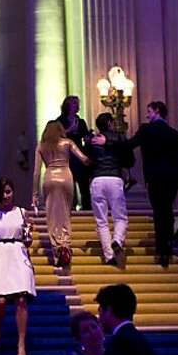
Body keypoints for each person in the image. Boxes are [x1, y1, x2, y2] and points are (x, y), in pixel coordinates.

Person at [0, 177, 36, 355]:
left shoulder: (22, 212)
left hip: (18, 254)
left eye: (9, 191)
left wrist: (29, 237)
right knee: (1, 301)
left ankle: (21, 344)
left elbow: (28, 241)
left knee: (21, 300)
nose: (6, 196)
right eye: (3, 192)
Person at [124, 101, 178, 267]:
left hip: (154, 178)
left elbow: (129, 145)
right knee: (167, 211)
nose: (147, 115)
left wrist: (109, 140)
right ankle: (167, 246)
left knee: (159, 212)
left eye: (149, 111)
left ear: (157, 111)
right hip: (172, 179)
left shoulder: (146, 130)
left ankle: (161, 250)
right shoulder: (174, 134)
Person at [33, 119, 91, 267]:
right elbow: (84, 159)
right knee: (65, 213)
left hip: (50, 177)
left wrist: (34, 195)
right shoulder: (67, 143)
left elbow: (36, 173)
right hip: (66, 176)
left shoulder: (41, 146)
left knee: (52, 216)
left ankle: (57, 252)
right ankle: (65, 244)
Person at [88, 112, 132, 266]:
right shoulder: (119, 139)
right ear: (109, 124)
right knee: (120, 217)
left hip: (97, 179)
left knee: (101, 221)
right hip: (114, 177)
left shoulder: (93, 140)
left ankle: (108, 256)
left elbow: (88, 160)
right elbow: (130, 158)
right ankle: (117, 240)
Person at [58, 95, 93, 210]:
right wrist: (69, 130)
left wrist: (88, 138)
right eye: (74, 103)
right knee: (69, 185)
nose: (76, 105)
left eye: (77, 103)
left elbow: (85, 137)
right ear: (67, 106)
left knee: (84, 185)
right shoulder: (59, 121)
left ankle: (86, 209)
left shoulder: (81, 121)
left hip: (79, 157)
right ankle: (70, 208)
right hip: (66, 157)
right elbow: (55, 138)